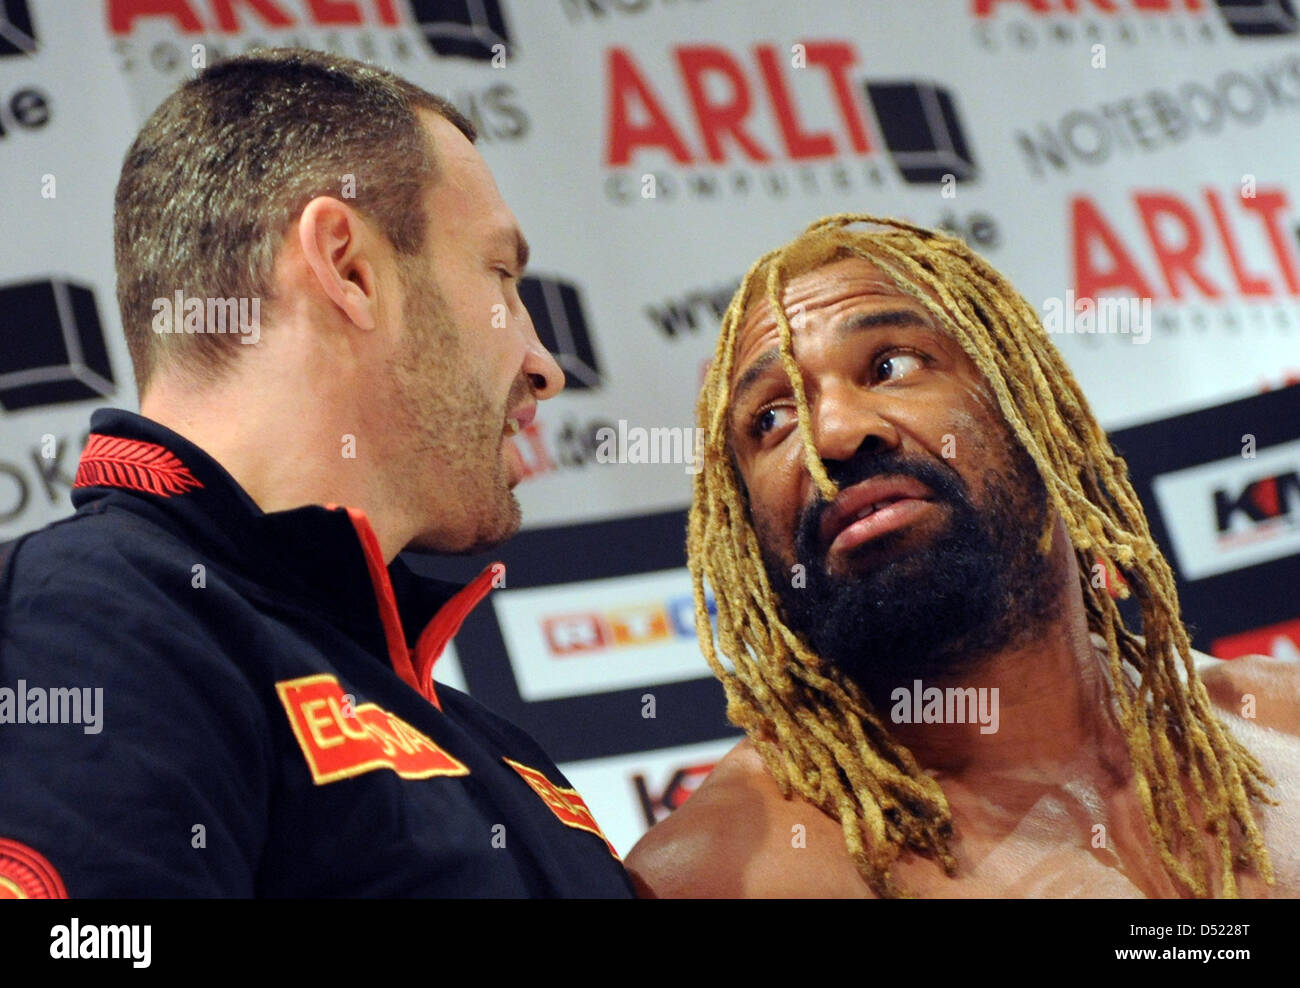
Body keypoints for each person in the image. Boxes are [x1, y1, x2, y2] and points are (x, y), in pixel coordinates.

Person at [0, 48, 632, 898]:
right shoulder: (87, 619)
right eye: (500, 276)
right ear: (348, 268)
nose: (545, 363)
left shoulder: (498, 752)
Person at [625, 214, 1299, 899]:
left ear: (1032, 408)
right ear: (743, 529)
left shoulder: (1281, 723)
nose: (833, 432)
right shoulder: (727, 877)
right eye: (771, 419)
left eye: (890, 366)